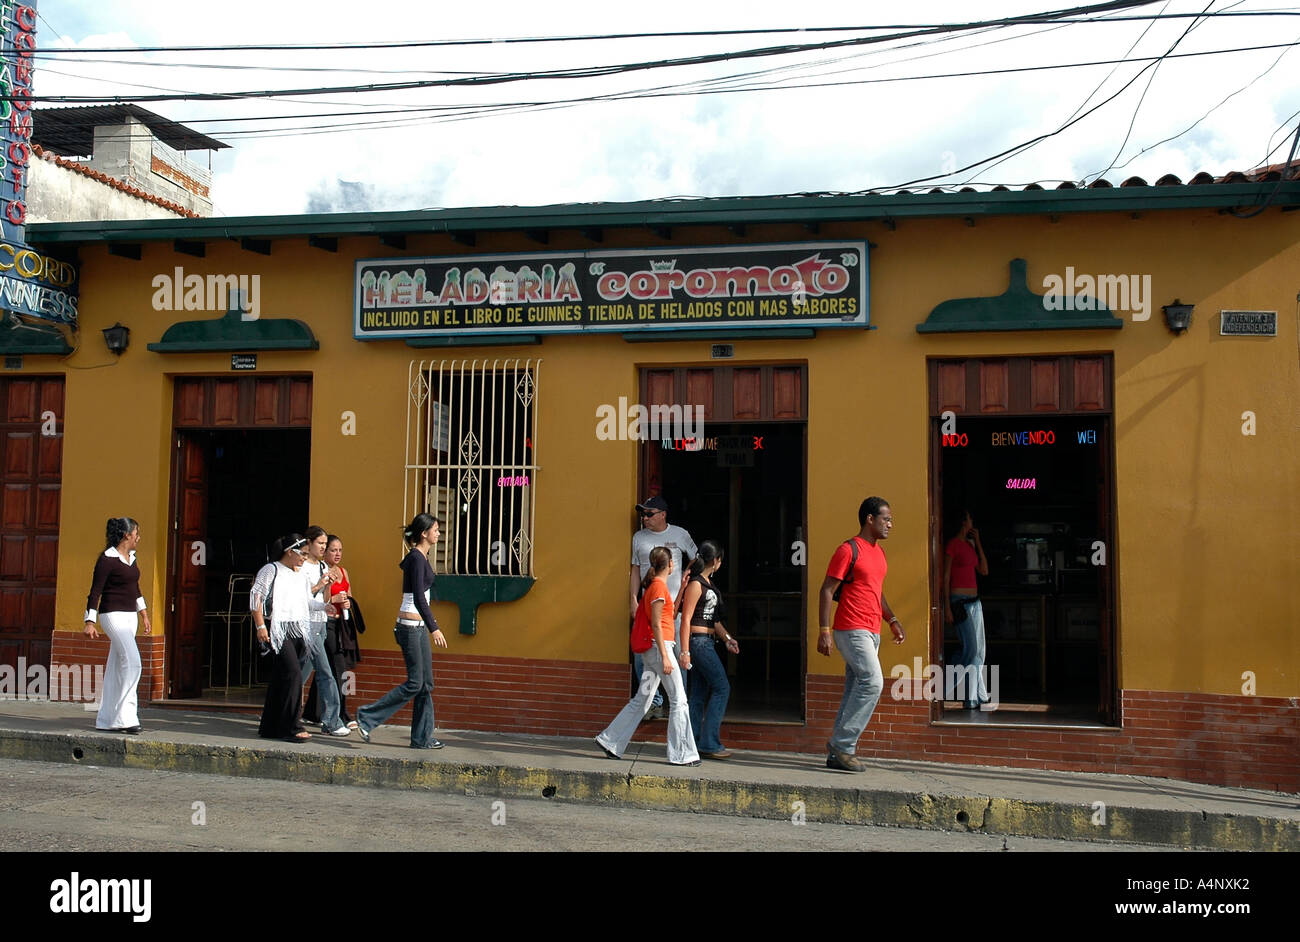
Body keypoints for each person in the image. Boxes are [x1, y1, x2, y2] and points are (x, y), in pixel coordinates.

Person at [817, 497, 905, 772]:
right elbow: (827, 590)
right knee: (873, 682)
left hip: (872, 630)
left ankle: (836, 753)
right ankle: (843, 746)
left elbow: (875, 592)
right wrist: (824, 631)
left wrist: (891, 619)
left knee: (854, 688)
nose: (890, 524)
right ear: (870, 519)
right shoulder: (848, 549)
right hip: (851, 628)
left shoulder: (878, 553)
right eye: (886, 519)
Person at [598, 546, 700, 766]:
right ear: (670, 564)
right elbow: (656, 624)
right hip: (659, 650)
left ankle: (610, 741)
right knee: (679, 700)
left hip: (652, 654)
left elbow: (669, 616)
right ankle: (682, 754)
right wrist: (665, 656)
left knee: (642, 700)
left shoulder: (656, 588)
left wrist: (682, 588)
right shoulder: (658, 589)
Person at [355, 513, 448, 749]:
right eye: (435, 529)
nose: (439, 533)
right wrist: (434, 628)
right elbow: (418, 597)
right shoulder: (416, 558)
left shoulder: (421, 558)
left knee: (426, 684)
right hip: (410, 628)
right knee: (415, 683)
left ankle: (422, 738)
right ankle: (367, 717)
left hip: (418, 628)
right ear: (424, 533)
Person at [252, 534, 336, 742]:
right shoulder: (271, 570)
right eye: (302, 554)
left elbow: (305, 601)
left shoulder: (299, 576)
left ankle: (270, 727)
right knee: (293, 674)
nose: (304, 559)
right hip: (278, 628)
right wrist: (260, 625)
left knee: (281, 677)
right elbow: (256, 597)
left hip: (298, 628)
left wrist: (324, 606)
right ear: (290, 552)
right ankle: (292, 726)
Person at [629, 496, 696, 718]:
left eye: (649, 514)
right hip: (647, 608)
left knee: (677, 656)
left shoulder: (680, 534)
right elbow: (636, 571)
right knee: (643, 656)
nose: (645, 518)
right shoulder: (639, 537)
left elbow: (696, 558)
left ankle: (680, 701)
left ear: (663, 514)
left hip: (673, 609)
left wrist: (687, 579)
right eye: (643, 514)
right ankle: (654, 701)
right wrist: (633, 599)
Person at [83, 517, 150, 734]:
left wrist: (144, 614)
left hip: (131, 617)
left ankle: (106, 720)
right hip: (112, 616)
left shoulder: (131, 557)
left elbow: (135, 587)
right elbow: (95, 592)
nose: (138, 537)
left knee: (115, 668)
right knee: (133, 663)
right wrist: (89, 621)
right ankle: (126, 717)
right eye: (136, 533)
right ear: (126, 535)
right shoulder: (107, 559)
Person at [679, 540, 740, 759]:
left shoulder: (708, 585)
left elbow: (713, 620)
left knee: (698, 693)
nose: (720, 563)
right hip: (698, 642)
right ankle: (709, 742)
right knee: (722, 688)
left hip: (706, 640)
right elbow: (685, 619)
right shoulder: (696, 584)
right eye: (720, 560)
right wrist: (685, 651)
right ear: (715, 561)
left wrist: (727, 639)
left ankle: (693, 740)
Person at [303, 534, 363, 728]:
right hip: (325, 623)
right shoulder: (322, 570)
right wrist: (332, 596)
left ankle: (313, 712)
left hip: (341, 625)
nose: (337, 554)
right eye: (332, 550)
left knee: (324, 669)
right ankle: (340, 714)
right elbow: (323, 598)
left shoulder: (343, 571)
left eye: (340, 550)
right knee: (336, 669)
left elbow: (349, 595)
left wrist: (347, 602)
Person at [297, 526, 349, 737]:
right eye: (320, 544)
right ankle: (332, 721)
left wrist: (329, 587)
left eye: (325, 545)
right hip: (307, 625)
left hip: (321, 623)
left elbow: (324, 599)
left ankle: (278, 709)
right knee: (326, 674)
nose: (323, 548)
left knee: (299, 675)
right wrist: (320, 584)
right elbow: (301, 596)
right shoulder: (300, 566)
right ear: (308, 543)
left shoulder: (320, 566)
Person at [944, 510, 990, 710]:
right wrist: (946, 606)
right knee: (970, 649)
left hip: (974, 602)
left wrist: (978, 542)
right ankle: (944, 687)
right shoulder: (953, 544)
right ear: (964, 522)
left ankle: (974, 697)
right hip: (959, 601)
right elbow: (945, 577)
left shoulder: (969, 545)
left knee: (979, 651)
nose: (973, 522)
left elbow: (984, 570)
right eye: (970, 518)